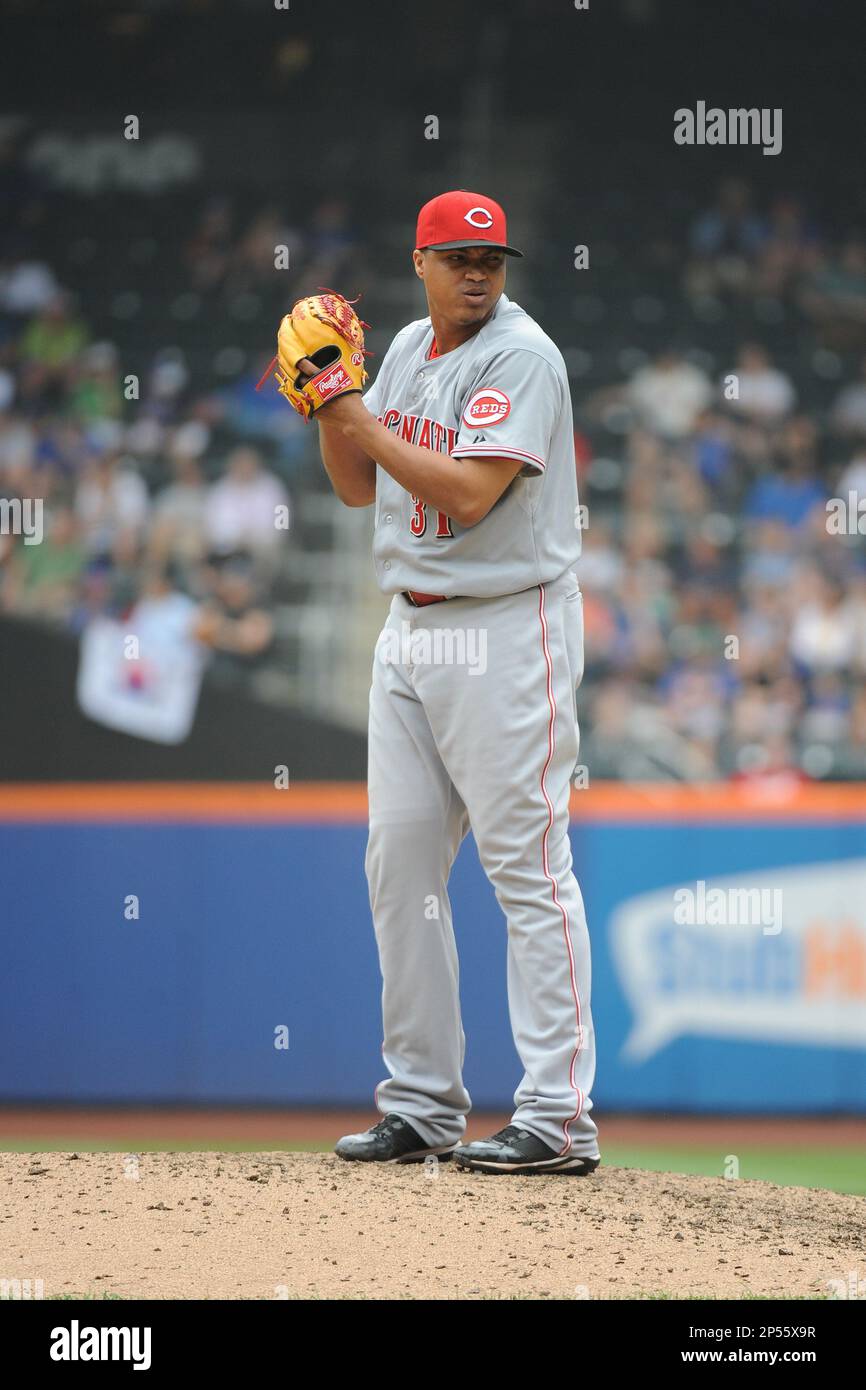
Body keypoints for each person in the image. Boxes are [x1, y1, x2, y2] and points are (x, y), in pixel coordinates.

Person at [301, 190, 600, 1176]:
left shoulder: (521, 354)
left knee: (525, 867)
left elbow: (469, 497)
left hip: (508, 624)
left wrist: (352, 411)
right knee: (398, 865)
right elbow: (357, 485)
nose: (477, 271)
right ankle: (423, 1102)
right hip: (410, 628)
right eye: (459, 257)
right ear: (418, 261)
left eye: (492, 258)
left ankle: (555, 1116)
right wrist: (324, 406)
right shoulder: (402, 353)